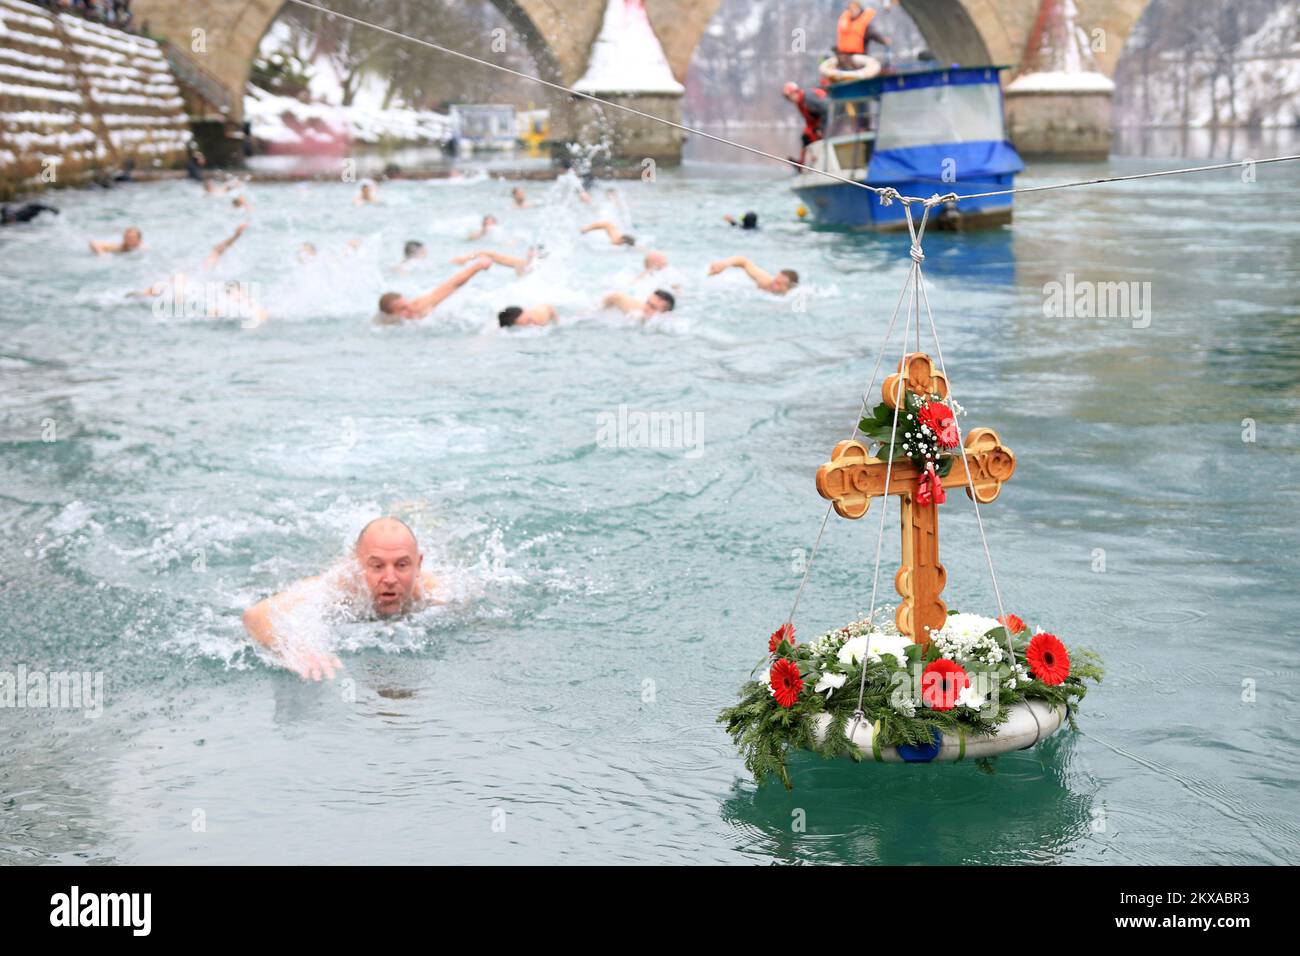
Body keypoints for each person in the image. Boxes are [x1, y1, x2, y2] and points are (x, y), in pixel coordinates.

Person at [242, 517, 442, 680]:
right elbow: (255, 615)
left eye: (402, 565)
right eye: (377, 566)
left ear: (418, 565)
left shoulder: (435, 592)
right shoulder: (340, 587)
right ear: (356, 566)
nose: (390, 579)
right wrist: (293, 642)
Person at [375, 257, 492, 324]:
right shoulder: (384, 324)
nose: (410, 309)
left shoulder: (419, 306)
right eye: (403, 309)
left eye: (408, 304)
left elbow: (453, 285)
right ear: (390, 314)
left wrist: (477, 267)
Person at [708, 256, 798, 295]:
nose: (773, 284)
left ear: (789, 289)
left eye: (779, 284)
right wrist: (724, 264)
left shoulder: (793, 296)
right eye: (775, 280)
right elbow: (743, 261)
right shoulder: (765, 281)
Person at [782, 82, 828, 158]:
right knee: (806, 136)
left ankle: (817, 159)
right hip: (818, 124)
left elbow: (826, 109)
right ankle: (803, 162)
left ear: (795, 92)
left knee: (814, 137)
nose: (790, 99)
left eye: (790, 96)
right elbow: (809, 120)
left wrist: (820, 128)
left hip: (831, 122)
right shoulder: (800, 103)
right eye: (787, 98)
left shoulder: (808, 99)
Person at [451, 248, 535, 276]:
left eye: (532, 251)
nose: (529, 254)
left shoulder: (543, 267)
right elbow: (489, 254)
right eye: (530, 251)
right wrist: (467, 258)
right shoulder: (520, 263)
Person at [602, 289, 675, 321]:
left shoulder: (664, 323)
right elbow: (616, 296)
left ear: (664, 314)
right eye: (647, 303)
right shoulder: (634, 310)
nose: (646, 308)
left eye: (653, 307)